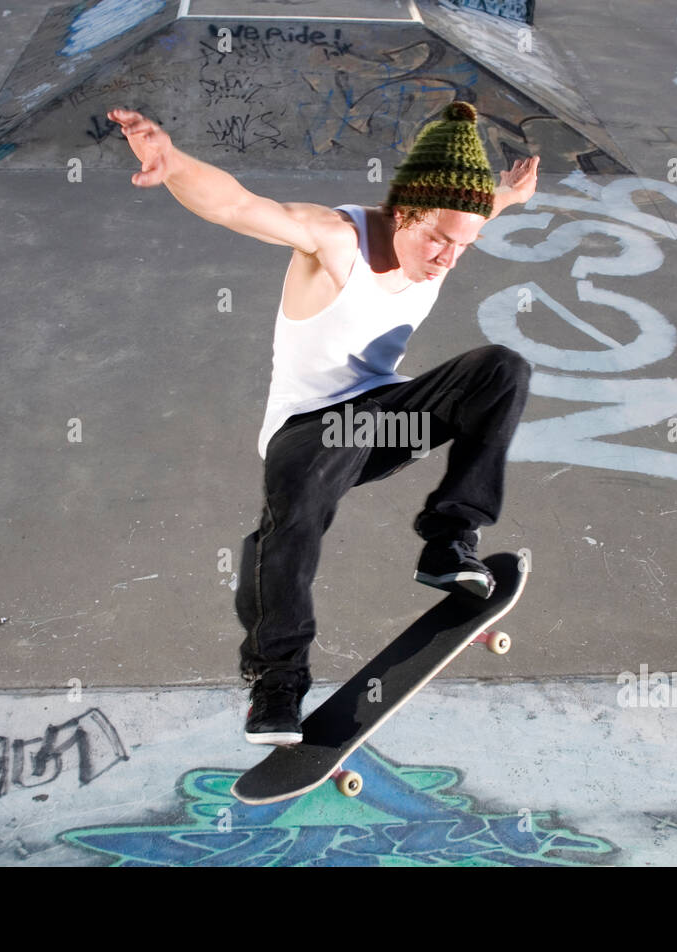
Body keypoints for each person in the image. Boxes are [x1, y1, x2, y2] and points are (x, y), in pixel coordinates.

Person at [109, 101, 538, 745]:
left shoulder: (447, 224)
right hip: (307, 435)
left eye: (463, 246)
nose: (447, 258)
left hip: (385, 426)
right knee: (287, 528)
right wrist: (174, 165)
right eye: (436, 240)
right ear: (402, 211)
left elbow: (475, 211)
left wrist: (507, 195)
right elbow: (239, 206)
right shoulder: (336, 239)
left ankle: (449, 541)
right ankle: (277, 682)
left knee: (501, 368)